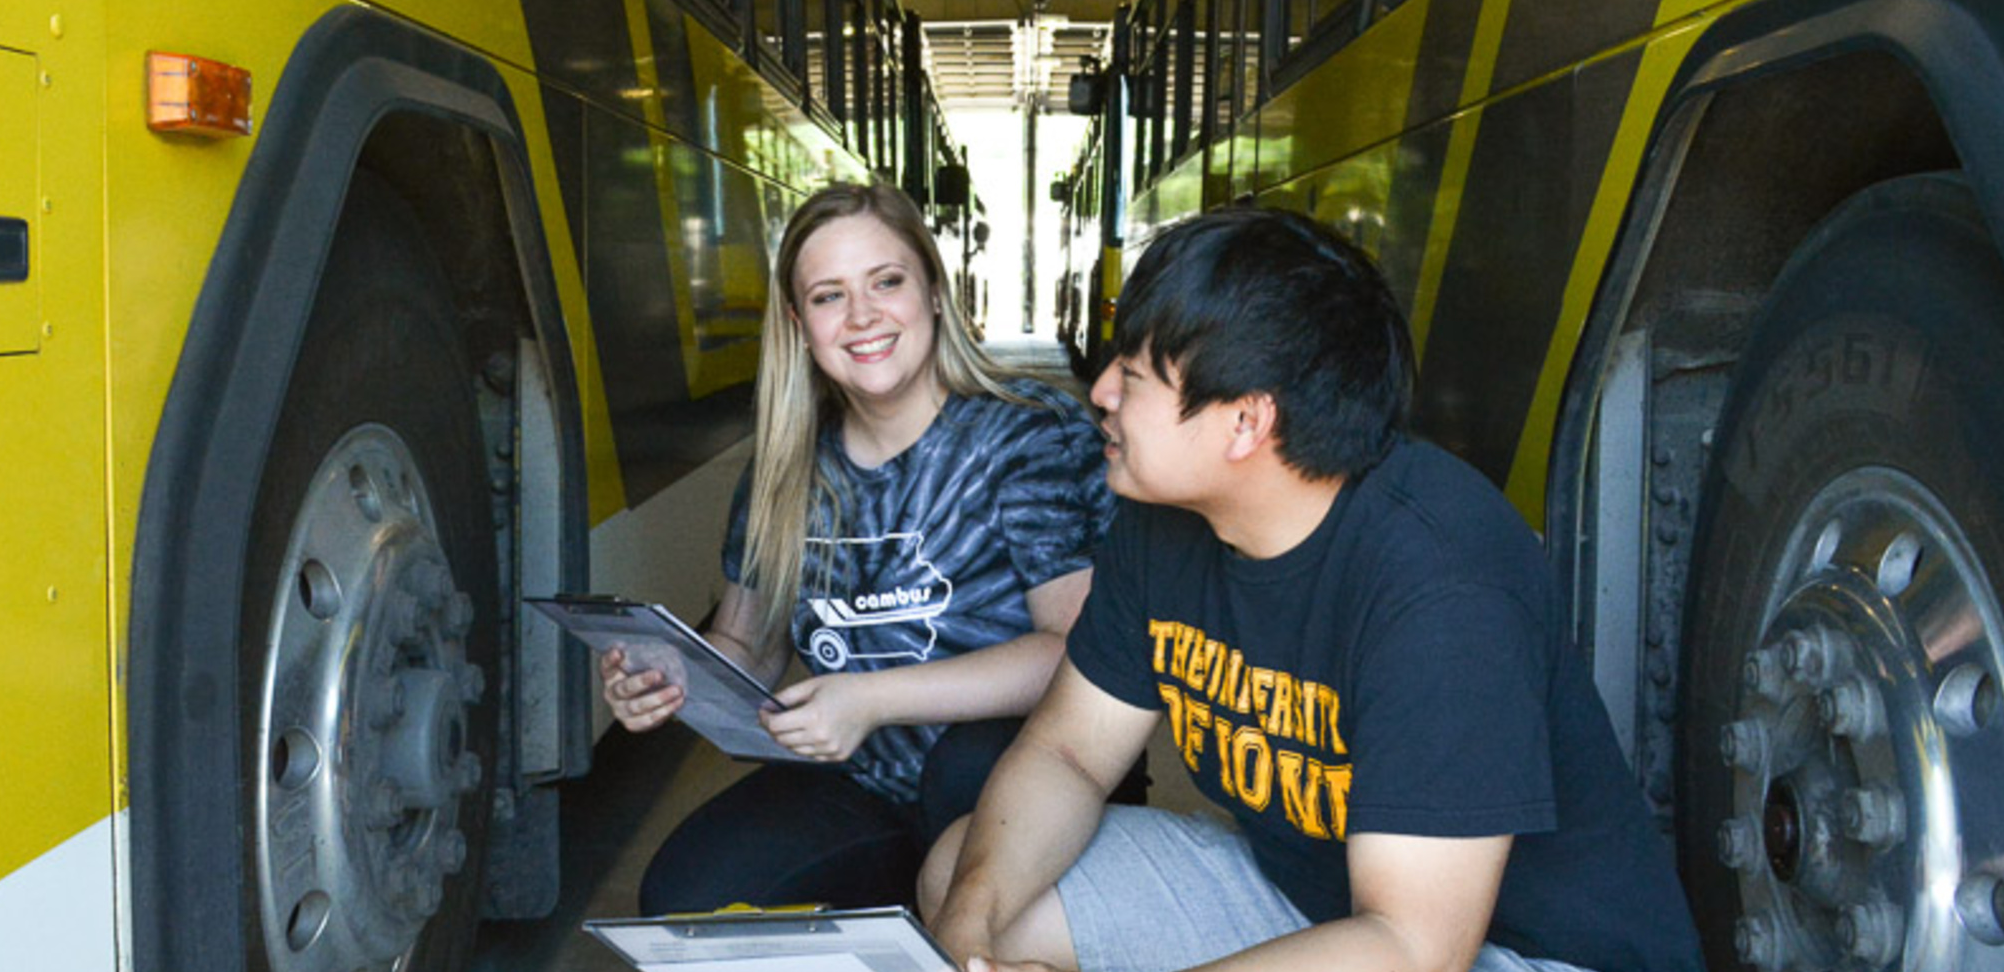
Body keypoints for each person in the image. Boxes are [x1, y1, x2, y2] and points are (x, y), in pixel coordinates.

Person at [920, 206, 1704, 972]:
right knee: (971, 877)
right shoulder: (1162, 523)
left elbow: (1412, 946)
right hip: (1314, 903)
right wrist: (963, 943)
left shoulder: (1442, 583)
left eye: (1133, 378)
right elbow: (1068, 753)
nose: (1101, 396)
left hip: (1505, 948)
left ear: (1245, 424)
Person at [599, 182, 1135, 915]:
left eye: (887, 281)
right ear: (798, 322)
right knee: (685, 897)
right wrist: (672, 673)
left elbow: (1080, 653)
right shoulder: (784, 470)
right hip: (864, 782)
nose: (863, 316)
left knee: (965, 765)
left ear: (935, 294)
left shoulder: (1027, 434)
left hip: (1026, 777)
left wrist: (871, 698)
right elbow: (746, 645)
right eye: (828, 296)